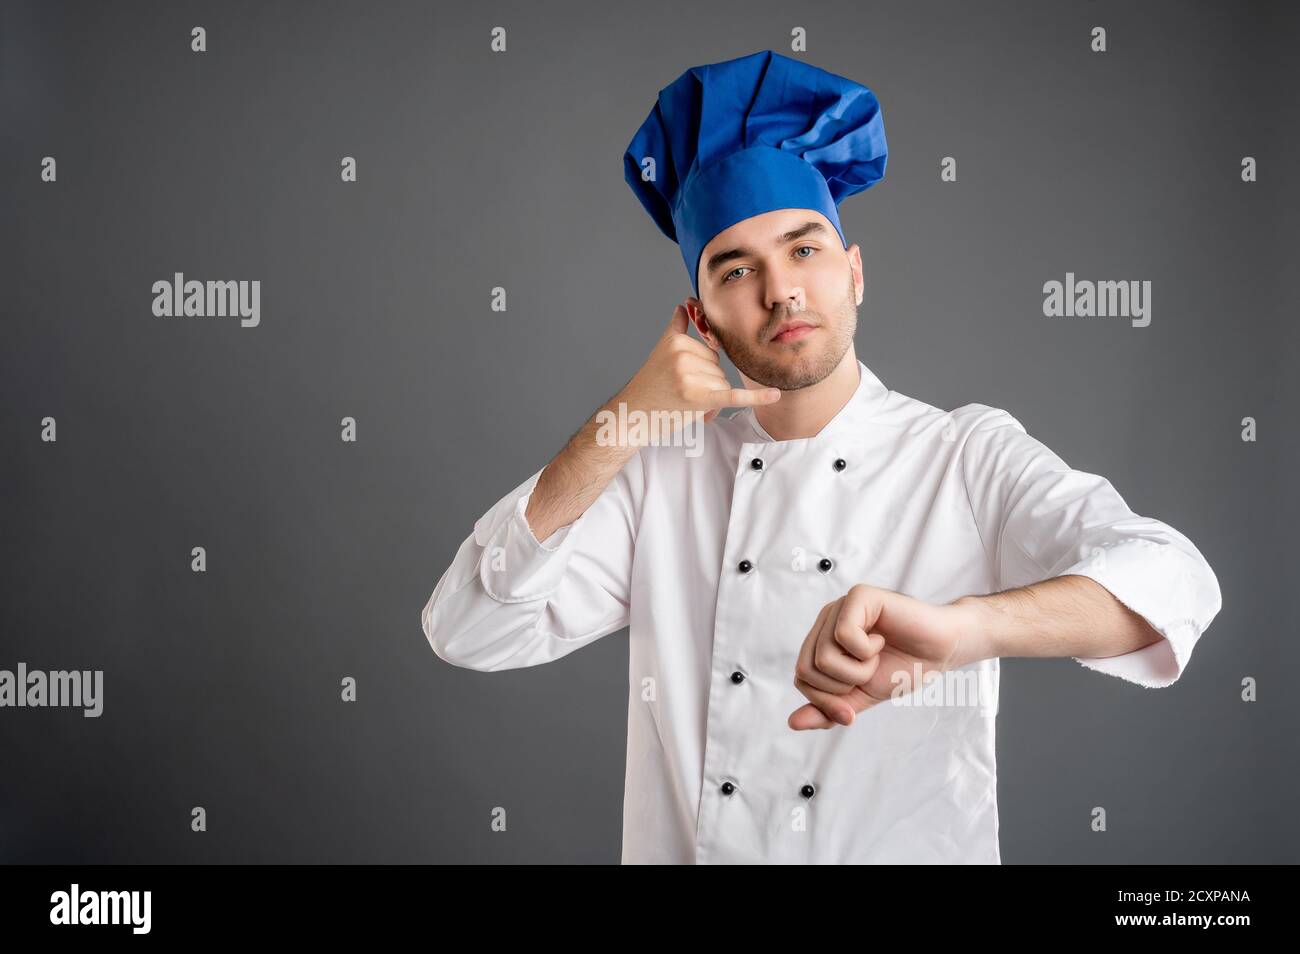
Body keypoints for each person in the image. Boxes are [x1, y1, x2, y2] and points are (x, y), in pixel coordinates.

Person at [420, 49, 1223, 864]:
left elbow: (1172, 576)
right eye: (738, 269)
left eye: (804, 250)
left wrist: (966, 630)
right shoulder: (656, 474)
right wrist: (623, 421)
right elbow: (468, 628)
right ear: (699, 318)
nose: (781, 292)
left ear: (855, 272)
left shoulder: (962, 455)